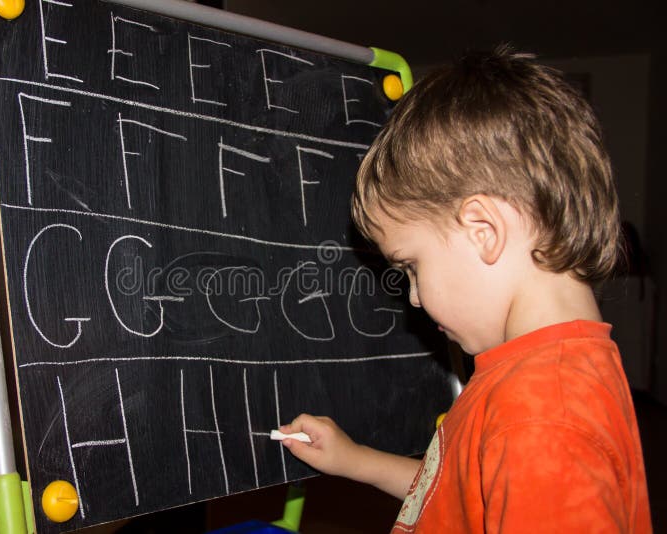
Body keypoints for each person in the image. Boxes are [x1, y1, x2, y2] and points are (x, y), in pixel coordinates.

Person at [278, 45, 652, 532]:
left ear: (483, 231)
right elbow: (458, 495)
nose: (412, 297)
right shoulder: (534, 378)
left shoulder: (542, 418)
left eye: (412, 266)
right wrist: (355, 460)